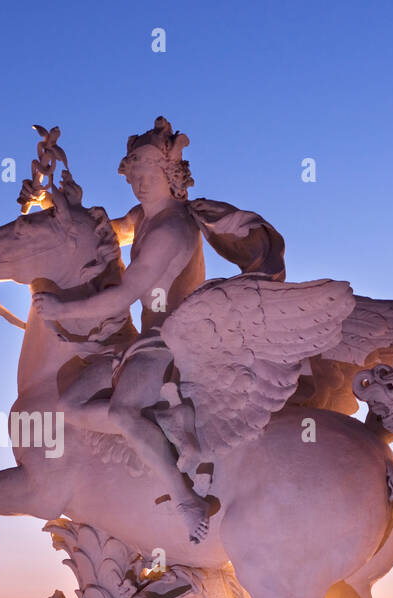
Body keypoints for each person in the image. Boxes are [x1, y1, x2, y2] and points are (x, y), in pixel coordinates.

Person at [36, 117, 285, 542]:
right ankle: (166, 426)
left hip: (168, 342)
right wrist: (67, 206)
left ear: (170, 176)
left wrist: (64, 305)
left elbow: (125, 294)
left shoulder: (171, 229)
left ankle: (186, 498)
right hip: (139, 345)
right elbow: (109, 235)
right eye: (133, 177)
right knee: (68, 404)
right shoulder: (145, 218)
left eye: (147, 176)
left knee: (119, 412)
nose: (138, 185)